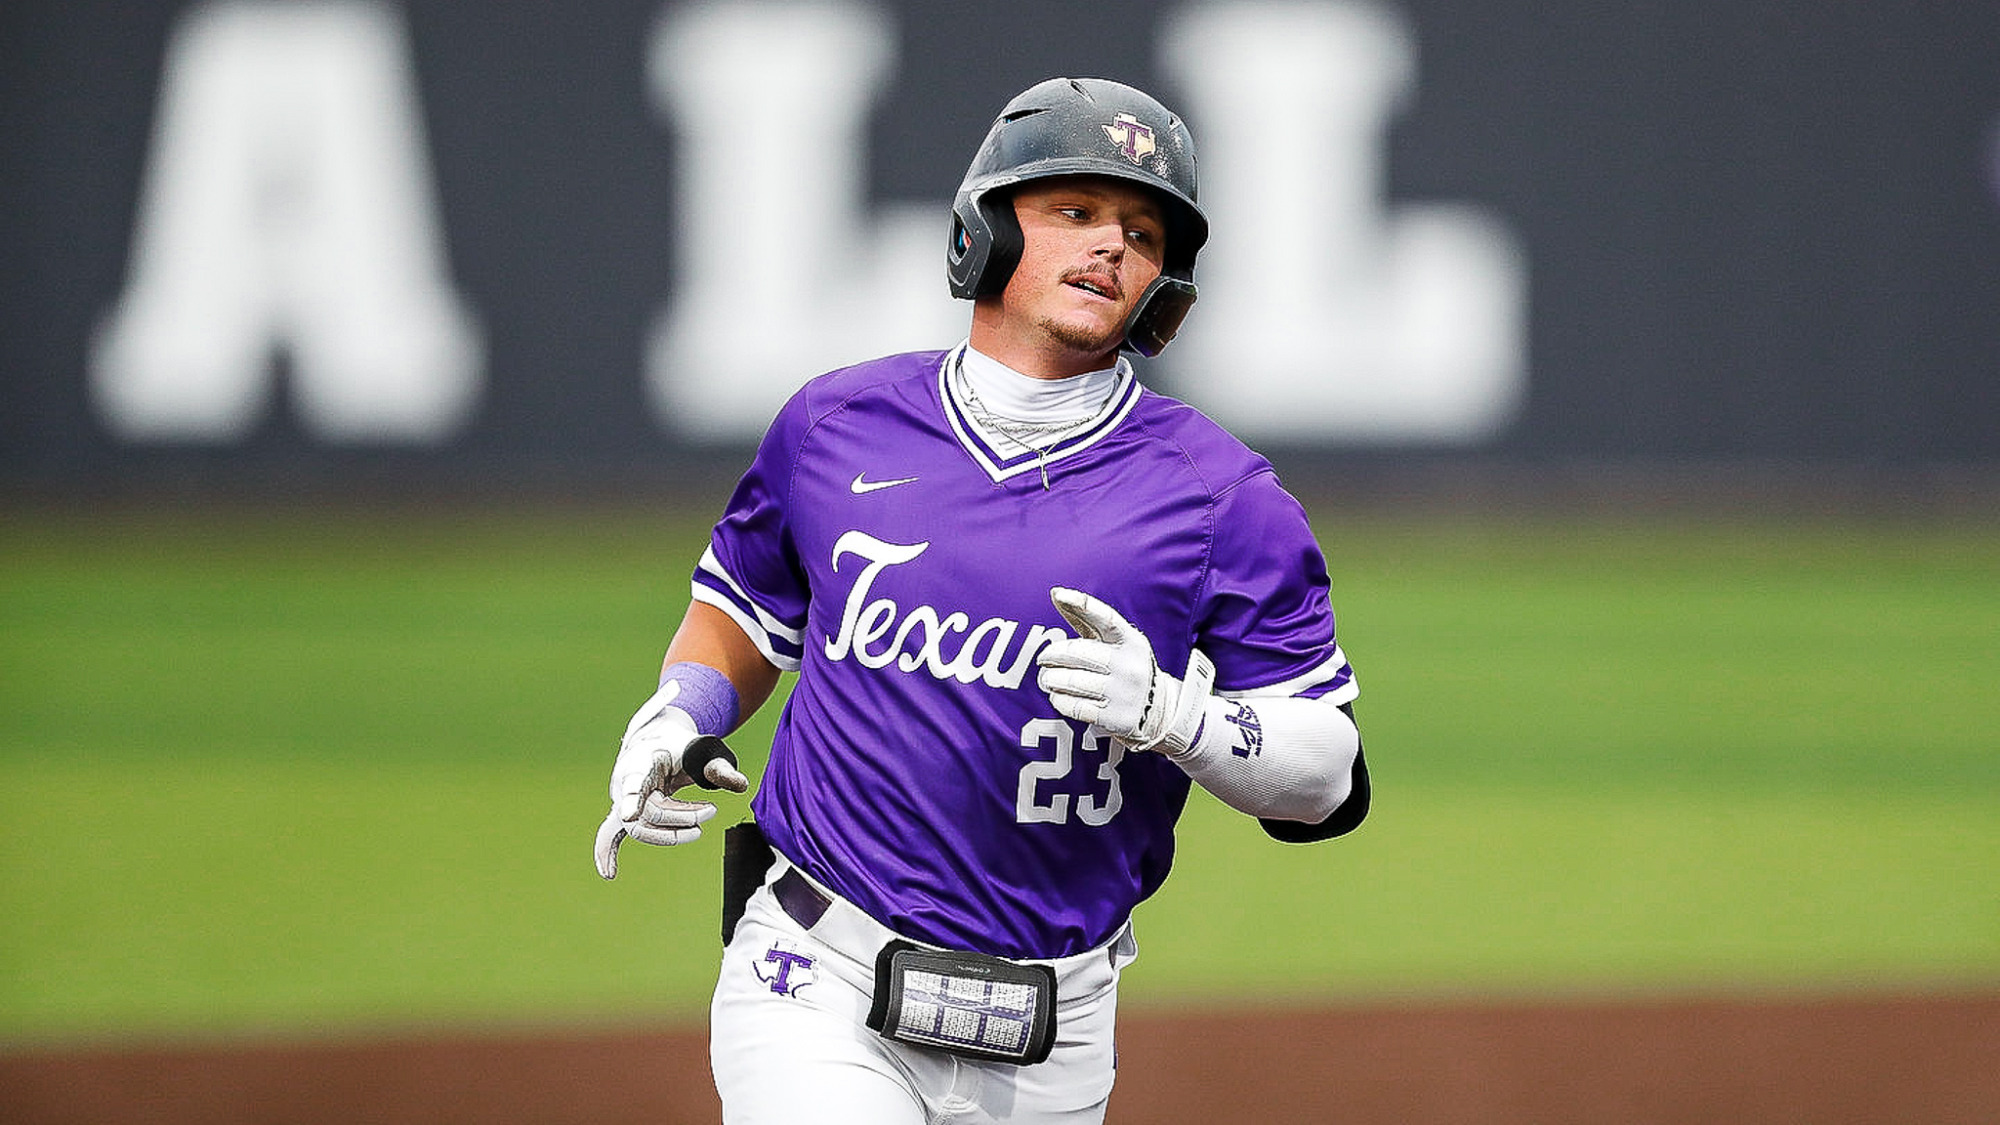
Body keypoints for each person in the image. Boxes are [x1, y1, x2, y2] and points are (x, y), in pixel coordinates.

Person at [593, 76, 1370, 1124]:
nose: (1109, 247)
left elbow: (1325, 778)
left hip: (1057, 1025)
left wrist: (1179, 719)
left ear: (1164, 286)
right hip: (813, 976)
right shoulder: (836, 426)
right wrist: (680, 706)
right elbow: (747, 604)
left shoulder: (1221, 497)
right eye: (1075, 212)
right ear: (985, 230)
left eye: (1141, 233)